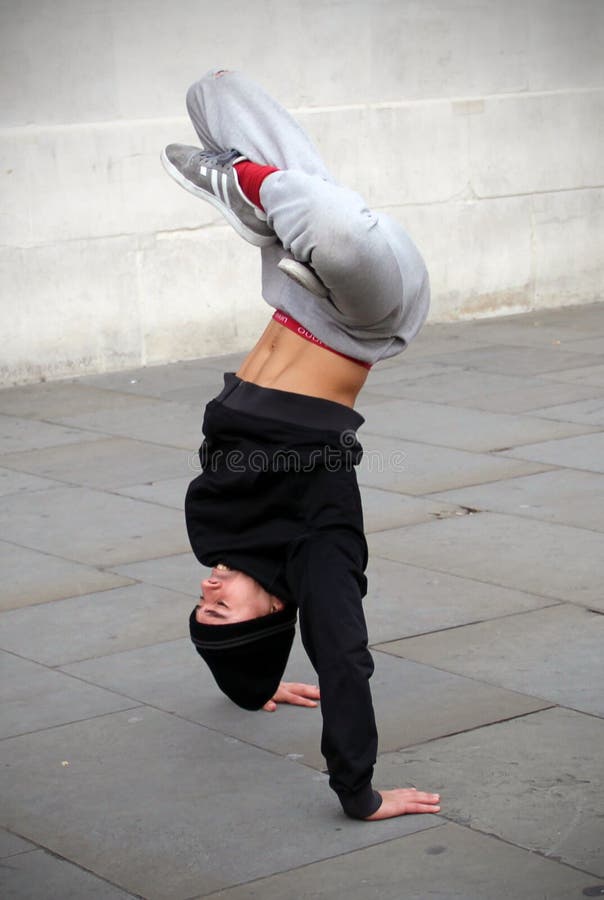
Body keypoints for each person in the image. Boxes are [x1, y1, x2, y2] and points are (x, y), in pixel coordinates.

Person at [161, 68, 440, 822]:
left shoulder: (216, 532)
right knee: (340, 231)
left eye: (204, 605)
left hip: (291, 295)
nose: (209, 592)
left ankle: (263, 201)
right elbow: (343, 659)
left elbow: (237, 648)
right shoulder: (318, 549)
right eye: (223, 611)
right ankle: (255, 195)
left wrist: (254, 686)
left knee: (211, 94)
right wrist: (360, 792)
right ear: (273, 610)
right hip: (362, 310)